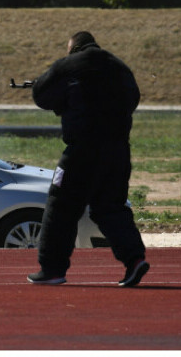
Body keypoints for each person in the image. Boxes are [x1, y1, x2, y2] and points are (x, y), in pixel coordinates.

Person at [25, 32, 148, 287]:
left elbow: (42, 95)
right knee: (111, 207)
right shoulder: (119, 67)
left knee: (61, 206)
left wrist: (65, 103)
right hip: (118, 151)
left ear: (74, 48)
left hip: (82, 151)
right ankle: (135, 260)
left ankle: (52, 269)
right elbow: (132, 100)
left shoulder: (69, 65)